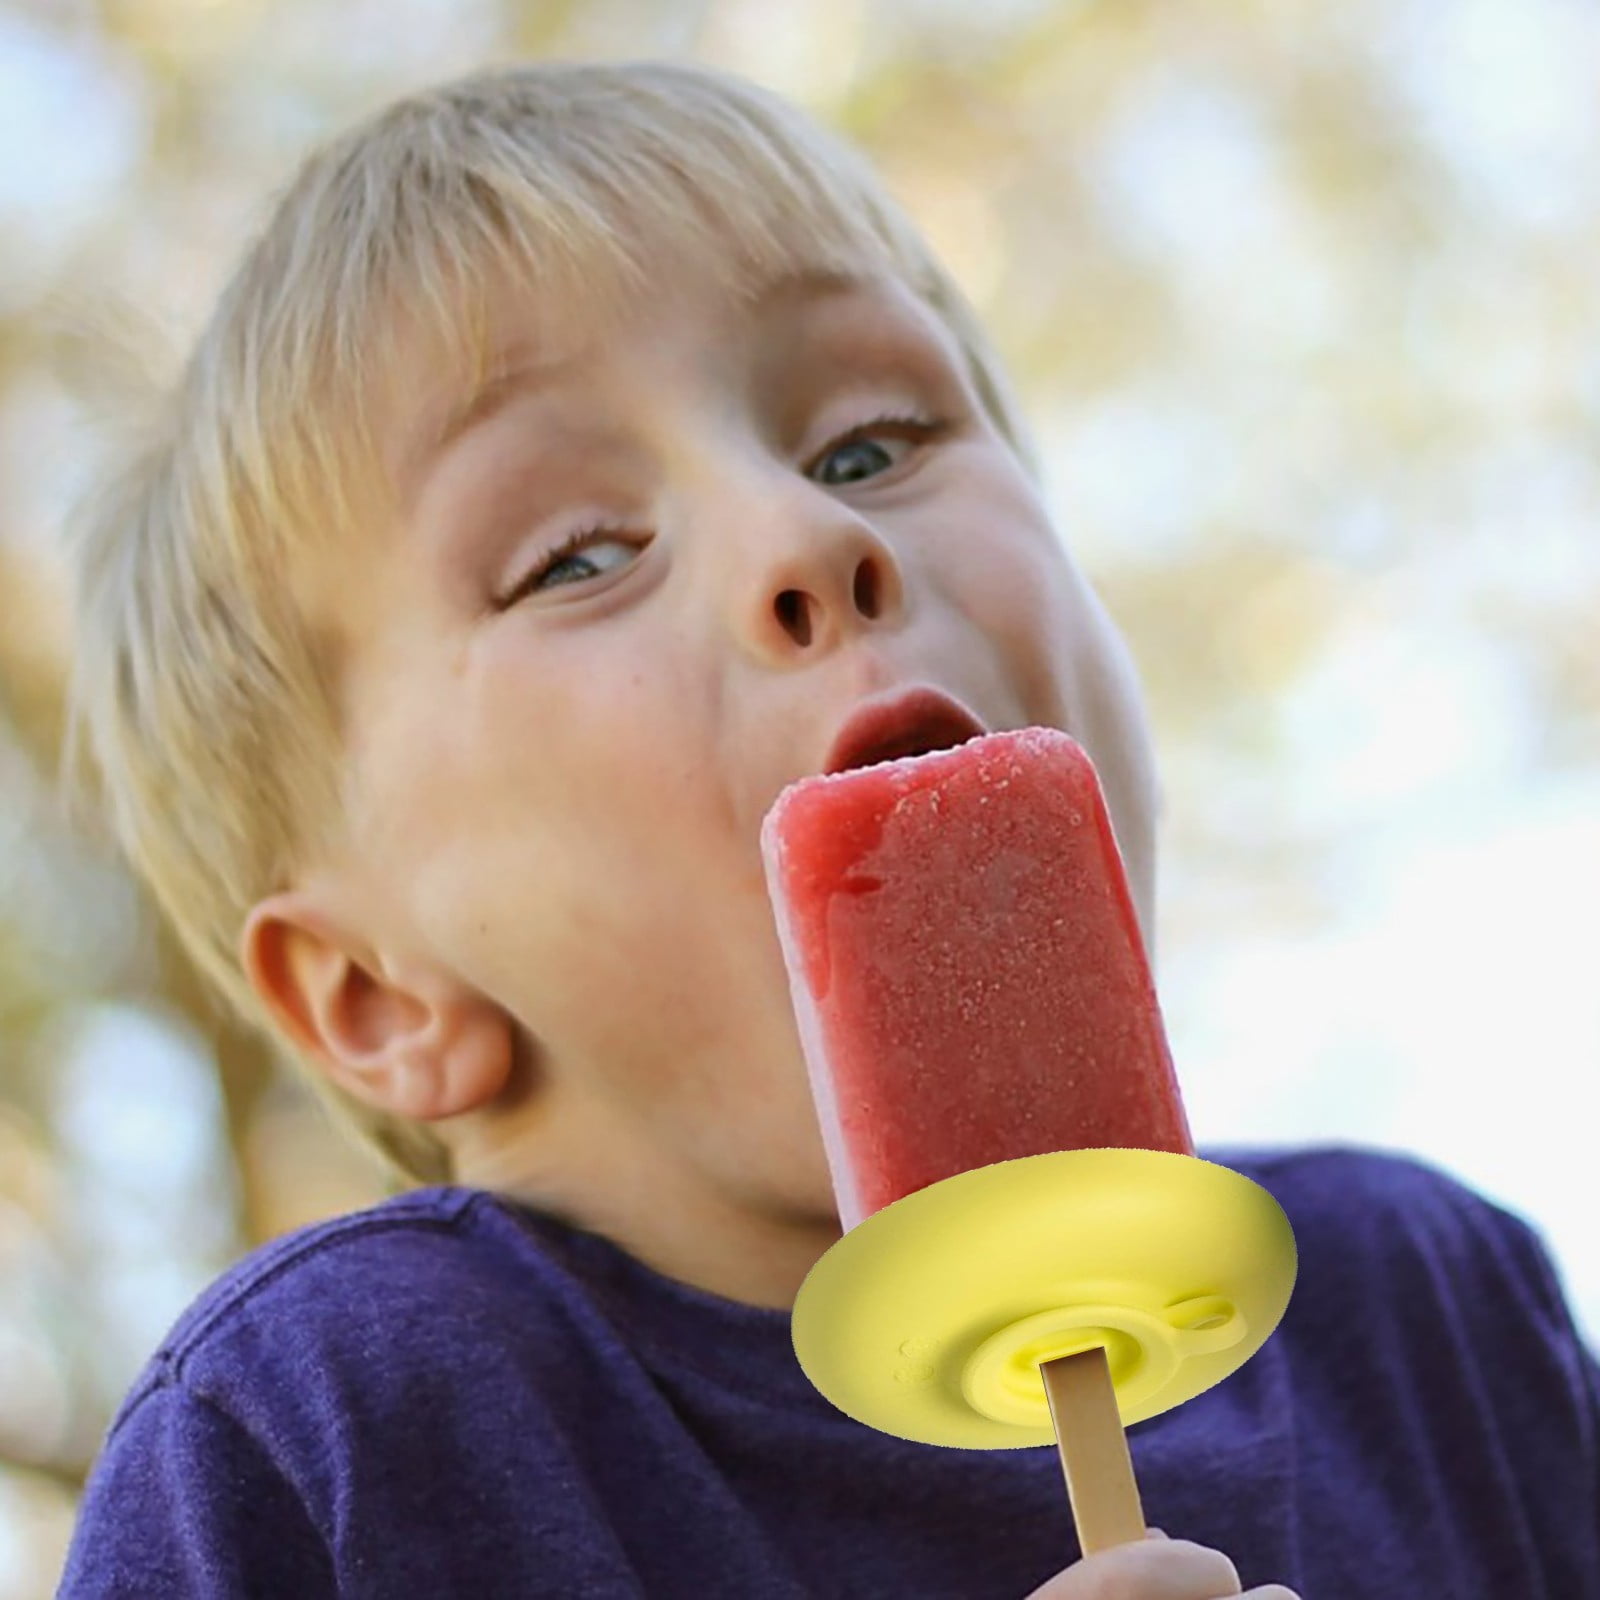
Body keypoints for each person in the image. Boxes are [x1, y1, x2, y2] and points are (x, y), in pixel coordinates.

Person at [53, 57, 1598, 1599]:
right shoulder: (332, 1438)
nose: (812, 535)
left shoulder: (1427, 1321)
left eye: (870, 442)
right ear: (376, 994)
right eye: (581, 555)